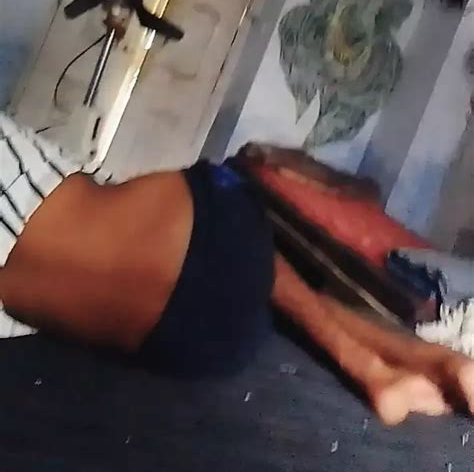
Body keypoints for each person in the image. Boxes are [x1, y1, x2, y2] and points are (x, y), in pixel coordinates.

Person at [0, 111, 473, 427]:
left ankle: (415, 359)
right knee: (257, 277)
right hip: (215, 237)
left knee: (268, 300)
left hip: (182, 333)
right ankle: (376, 368)